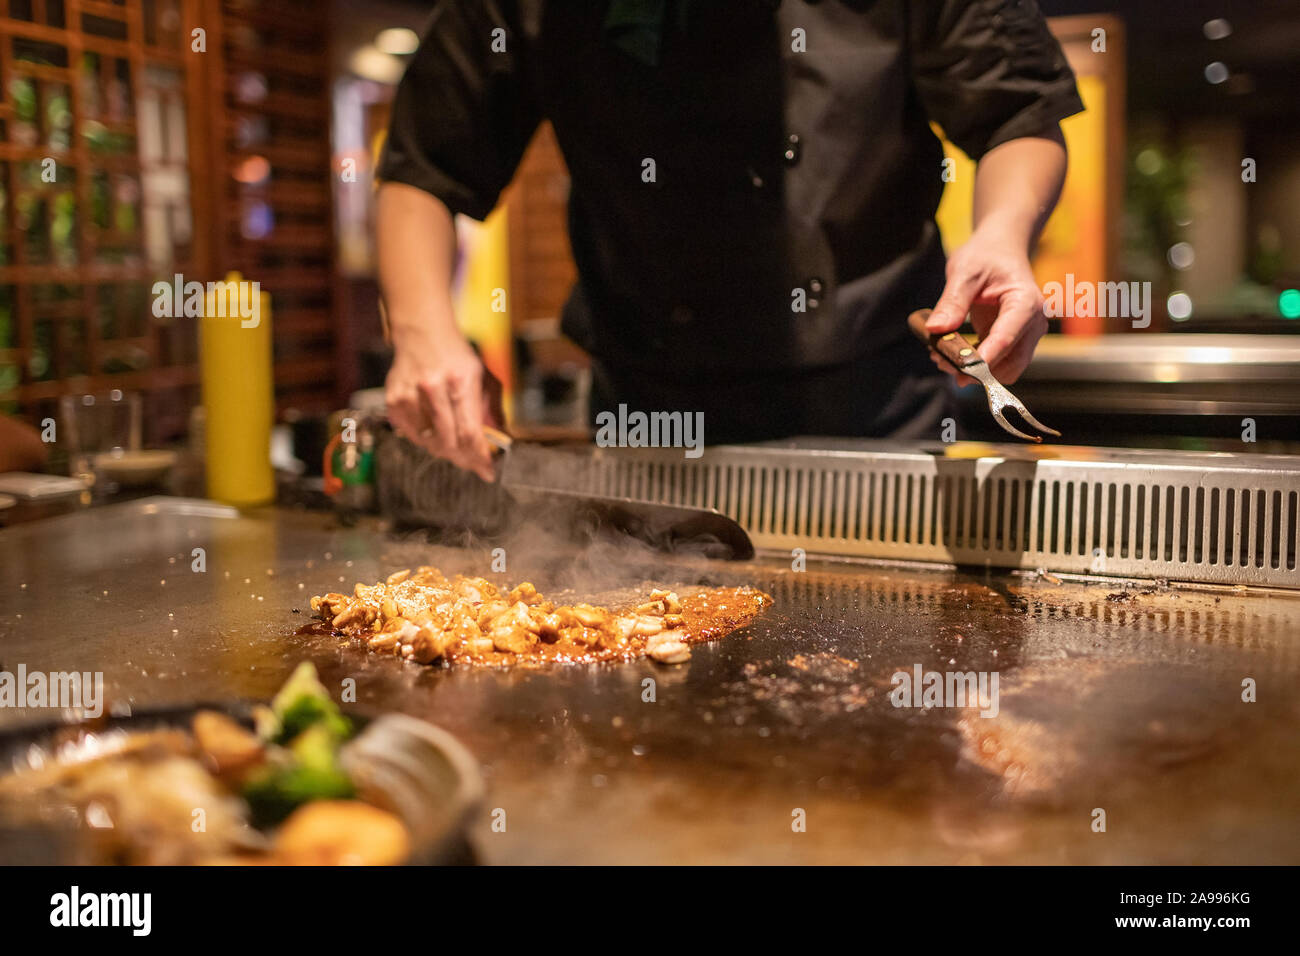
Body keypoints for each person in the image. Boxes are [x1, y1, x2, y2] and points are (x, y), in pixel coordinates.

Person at [377, 0, 1083, 480]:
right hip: (645, 408)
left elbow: (1017, 111)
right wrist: (422, 333)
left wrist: (1001, 233)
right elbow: (425, 167)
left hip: (871, 405)